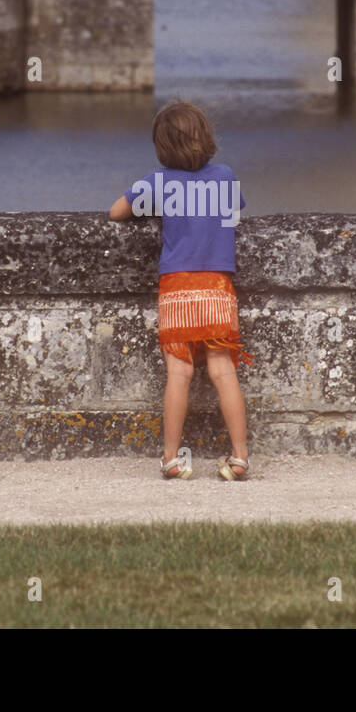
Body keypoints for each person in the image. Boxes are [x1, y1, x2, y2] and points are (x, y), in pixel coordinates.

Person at [110, 101, 253, 481]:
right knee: (223, 370)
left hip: (177, 287)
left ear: (162, 147)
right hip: (217, 286)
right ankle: (240, 458)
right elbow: (235, 211)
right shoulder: (224, 176)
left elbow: (116, 212)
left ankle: (171, 459)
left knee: (180, 372)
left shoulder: (160, 182)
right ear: (206, 137)